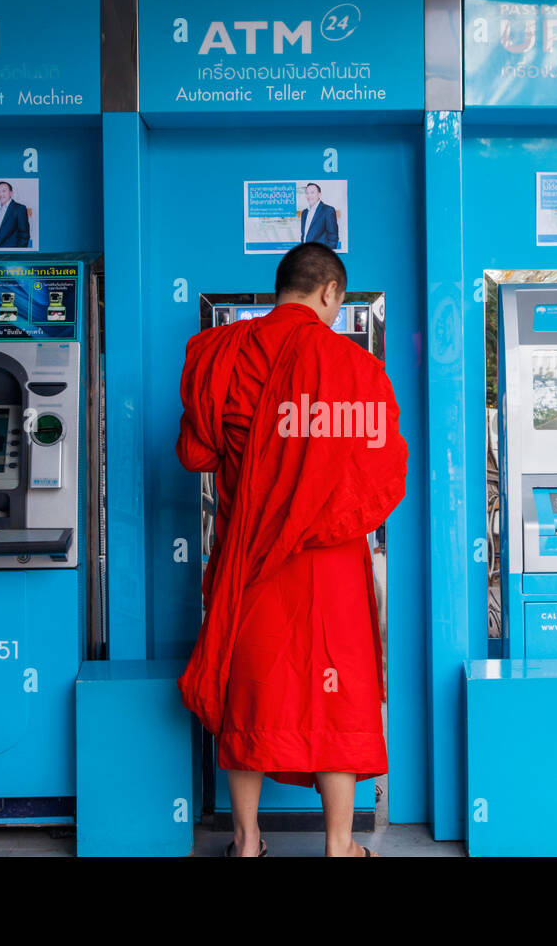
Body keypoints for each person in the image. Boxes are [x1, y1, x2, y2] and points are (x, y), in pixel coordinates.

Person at [176, 242, 407, 857]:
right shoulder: (354, 367)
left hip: (249, 556)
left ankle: (247, 843)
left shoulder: (218, 353)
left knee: (249, 687)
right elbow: (385, 477)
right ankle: (340, 847)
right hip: (328, 558)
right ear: (331, 292)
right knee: (338, 693)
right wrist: (318, 515)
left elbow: (196, 453)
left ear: (283, 287)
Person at [299, 183, 339, 249]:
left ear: (319, 194)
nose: (309, 195)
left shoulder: (328, 210)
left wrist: (325, 255)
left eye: (312, 193)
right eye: (307, 193)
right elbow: (304, 236)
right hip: (306, 254)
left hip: (321, 255)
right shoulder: (304, 213)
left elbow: (333, 237)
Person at [0, 181, 31, 248]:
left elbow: (24, 235)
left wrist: (17, 254)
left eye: (4, 191)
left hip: (12, 255)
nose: (0, 194)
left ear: (11, 193)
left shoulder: (19, 209)